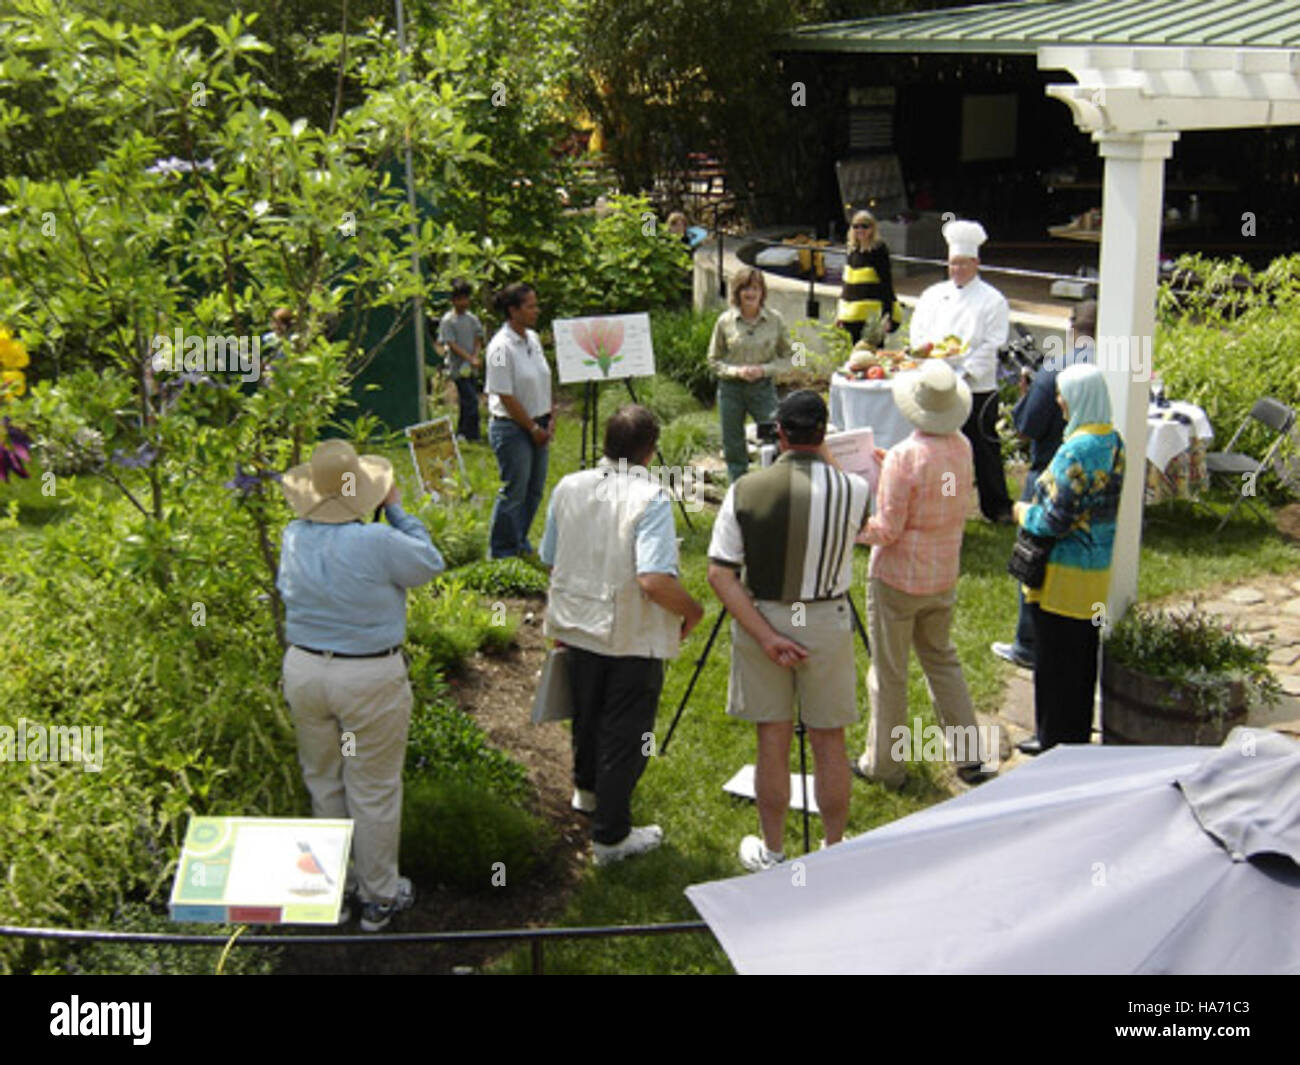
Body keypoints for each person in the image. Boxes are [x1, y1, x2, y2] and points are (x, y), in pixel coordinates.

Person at [277, 439, 444, 931]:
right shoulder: (379, 542)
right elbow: (429, 562)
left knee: (324, 779)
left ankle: (336, 889)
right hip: (367, 676)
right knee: (372, 787)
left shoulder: (292, 535)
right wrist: (396, 511)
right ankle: (379, 897)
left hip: (307, 670)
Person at [707, 390, 871, 871]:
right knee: (830, 740)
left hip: (766, 618)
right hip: (827, 619)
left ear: (778, 431)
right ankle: (833, 848)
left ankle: (774, 850)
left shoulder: (745, 490)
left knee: (771, 739)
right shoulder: (854, 490)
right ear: (826, 434)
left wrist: (764, 636)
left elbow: (720, 573)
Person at [540, 406, 704, 866]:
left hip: (575, 624)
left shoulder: (568, 486)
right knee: (624, 732)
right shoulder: (650, 498)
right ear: (651, 450)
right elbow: (653, 579)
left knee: (586, 713)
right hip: (629, 634)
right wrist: (692, 611)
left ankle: (587, 793)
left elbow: (550, 556)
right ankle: (611, 837)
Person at [853, 361, 994, 788]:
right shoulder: (961, 448)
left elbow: (888, 531)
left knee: (890, 673)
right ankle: (970, 757)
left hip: (898, 580)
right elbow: (944, 493)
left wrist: (849, 527)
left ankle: (884, 765)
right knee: (942, 661)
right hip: (942, 574)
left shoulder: (905, 457)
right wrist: (890, 471)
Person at [1013, 363, 1125, 755]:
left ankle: (1051, 739)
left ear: (1078, 398)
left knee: (1053, 661)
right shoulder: (1112, 440)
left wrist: (1022, 511)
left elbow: (1053, 521)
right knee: (1081, 659)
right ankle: (1074, 735)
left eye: (1062, 394)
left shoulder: (1076, 449)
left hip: (1063, 573)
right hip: (1095, 573)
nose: (1058, 401)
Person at [993, 299, 1097, 670]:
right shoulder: (1119, 367)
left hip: (1050, 472)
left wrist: (1026, 392)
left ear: (1072, 327)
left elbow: (1027, 427)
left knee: (1033, 559)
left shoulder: (1056, 369)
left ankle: (1028, 644)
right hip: (1100, 474)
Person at [908, 218, 1013, 523]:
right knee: (944, 449)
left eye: (963, 264)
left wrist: (964, 374)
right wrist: (933, 365)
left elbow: (993, 343)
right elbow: (919, 336)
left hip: (977, 385)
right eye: (953, 264)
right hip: (938, 381)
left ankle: (997, 506)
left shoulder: (993, 300)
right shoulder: (932, 295)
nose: (957, 270)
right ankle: (950, 501)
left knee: (984, 445)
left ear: (976, 263)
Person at [484, 282, 554, 559]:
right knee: (515, 490)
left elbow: (543, 379)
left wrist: (550, 417)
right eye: (530, 306)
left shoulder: (533, 339)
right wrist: (532, 427)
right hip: (513, 428)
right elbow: (505, 394)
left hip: (539, 423)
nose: (536, 311)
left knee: (534, 489)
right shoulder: (500, 347)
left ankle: (519, 540)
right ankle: (501, 550)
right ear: (513, 311)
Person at [707, 266, 795, 484]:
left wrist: (764, 370)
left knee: (775, 436)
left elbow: (792, 356)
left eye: (755, 288)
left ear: (762, 292)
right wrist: (736, 371)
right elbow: (713, 359)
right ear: (737, 292)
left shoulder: (776, 320)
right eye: (745, 288)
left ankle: (775, 483)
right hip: (731, 390)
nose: (750, 293)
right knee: (733, 443)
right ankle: (737, 487)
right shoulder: (724, 321)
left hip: (763, 389)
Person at [835, 209, 901, 345]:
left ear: (872, 228)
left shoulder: (878, 250)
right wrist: (840, 314)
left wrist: (886, 316)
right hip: (851, 316)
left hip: (871, 318)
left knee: (872, 357)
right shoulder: (852, 250)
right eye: (856, 226)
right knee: (853, 359)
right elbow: (847, 285)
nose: (860, 230)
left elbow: (886, 285)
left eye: (865, 226)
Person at [435, 278, 485, 443]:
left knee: (467, 400)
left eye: (466, 298)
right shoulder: (448, 321)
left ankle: (463, 432)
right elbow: (451, 343)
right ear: (453, 300)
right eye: (459, 299)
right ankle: (472, 433)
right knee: (470, 399)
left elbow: (478, 337)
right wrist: (469, 358)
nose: (464, 302)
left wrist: (475, 356)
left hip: (471, 367)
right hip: (457, 368)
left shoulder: (472, 319)